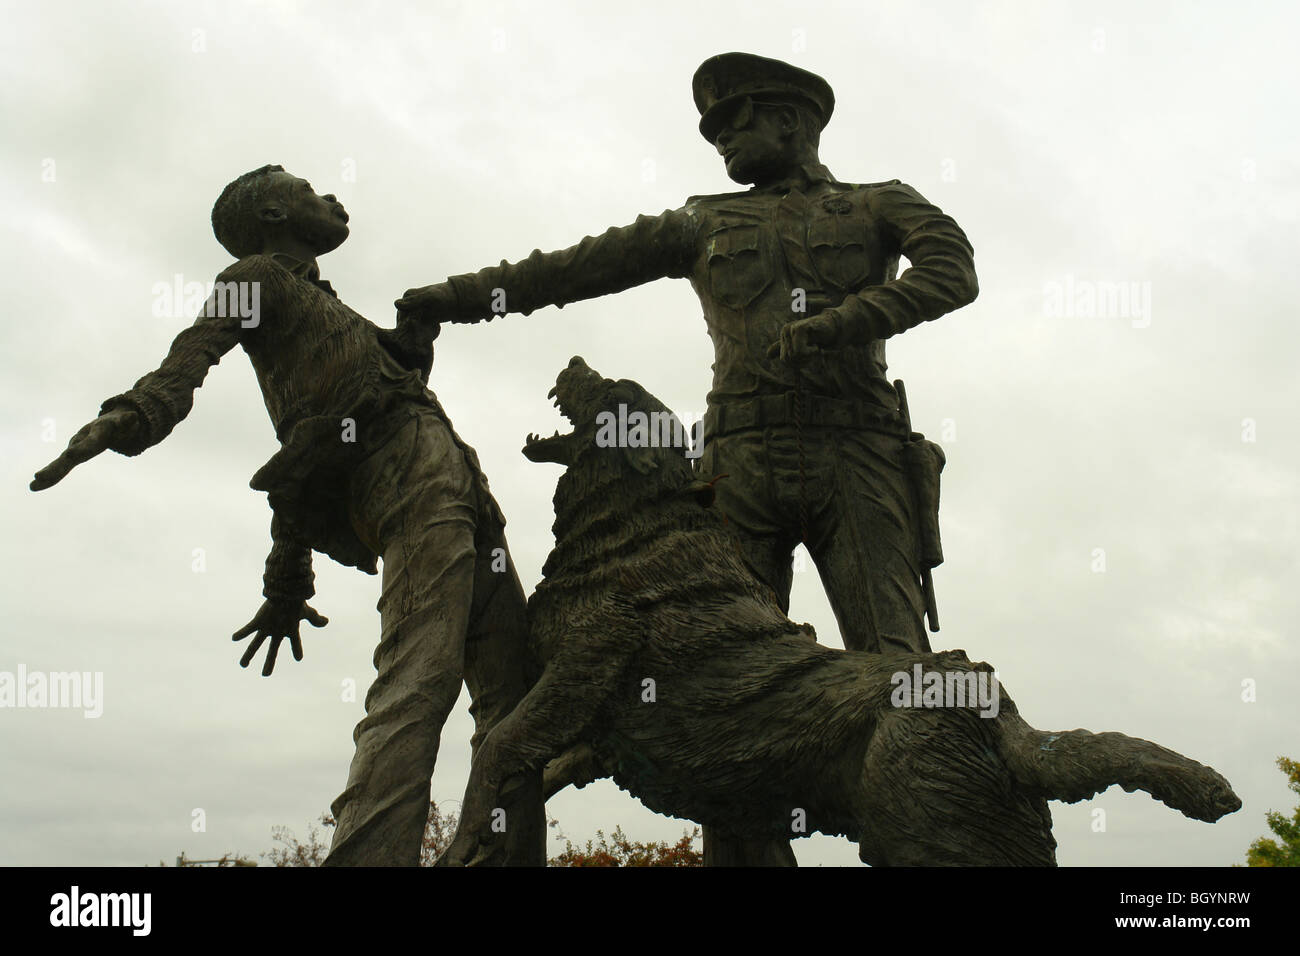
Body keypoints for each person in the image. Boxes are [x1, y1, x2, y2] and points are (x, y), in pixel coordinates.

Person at [395, 52, 979, 865]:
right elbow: (573, 268)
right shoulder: (701, 222)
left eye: (736, 122)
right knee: (723, 690)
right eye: (713, 130)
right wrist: (454, 300)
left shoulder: (881, 202)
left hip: (859, 455)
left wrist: (847, 320)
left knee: (901, 675)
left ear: (791, 121)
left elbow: (953, 271)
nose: (721, 140)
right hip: (738, 465)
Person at [30, 165, 545, 866]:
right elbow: (193, 356)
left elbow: (361, 389)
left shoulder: (331, 309)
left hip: (456, 479)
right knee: (420, 676)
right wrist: (132, 416)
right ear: (274, 214)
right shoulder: (256, 278)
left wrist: (410, 345)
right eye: (308, 191)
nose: (331, 198)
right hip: (404, 472)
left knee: (514, 697)